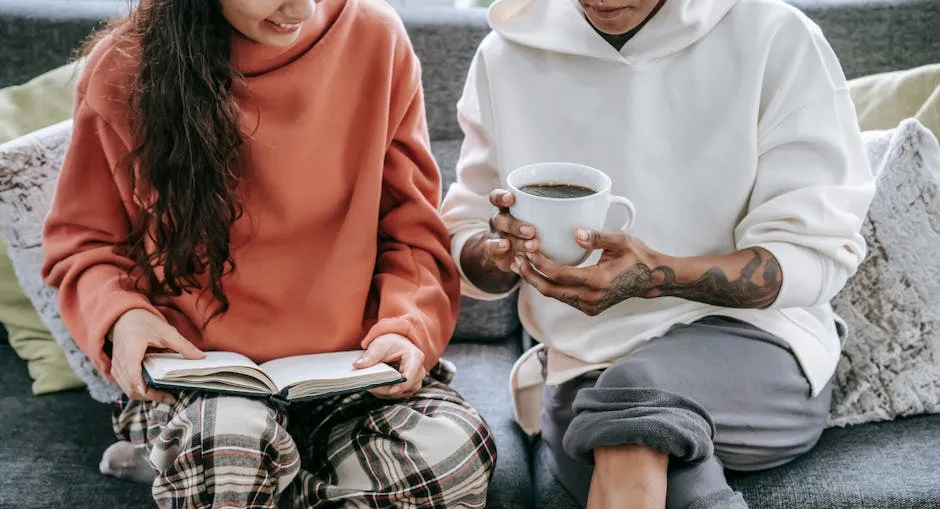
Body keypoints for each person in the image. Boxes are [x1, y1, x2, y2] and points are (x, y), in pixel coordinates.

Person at [41, 0, 496, 507]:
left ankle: (204, 477)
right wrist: (123, 318)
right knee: (231, 444)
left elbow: (412, 232)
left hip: (350, 373)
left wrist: (405, 327)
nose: (302, 7)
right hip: (204, 377)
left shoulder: (375, 37)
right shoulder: (123, 67)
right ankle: (223, 469)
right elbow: (83, 244)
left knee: (455, 454)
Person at [440, 0, 875, 506]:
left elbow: (812, 256)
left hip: (758, 346)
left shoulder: (775, 35)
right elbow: (468, 233)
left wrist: (660, 276)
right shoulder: (506, 55)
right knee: (655, 456)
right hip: (583, 369)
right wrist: (497, 253)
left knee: (628, 404)